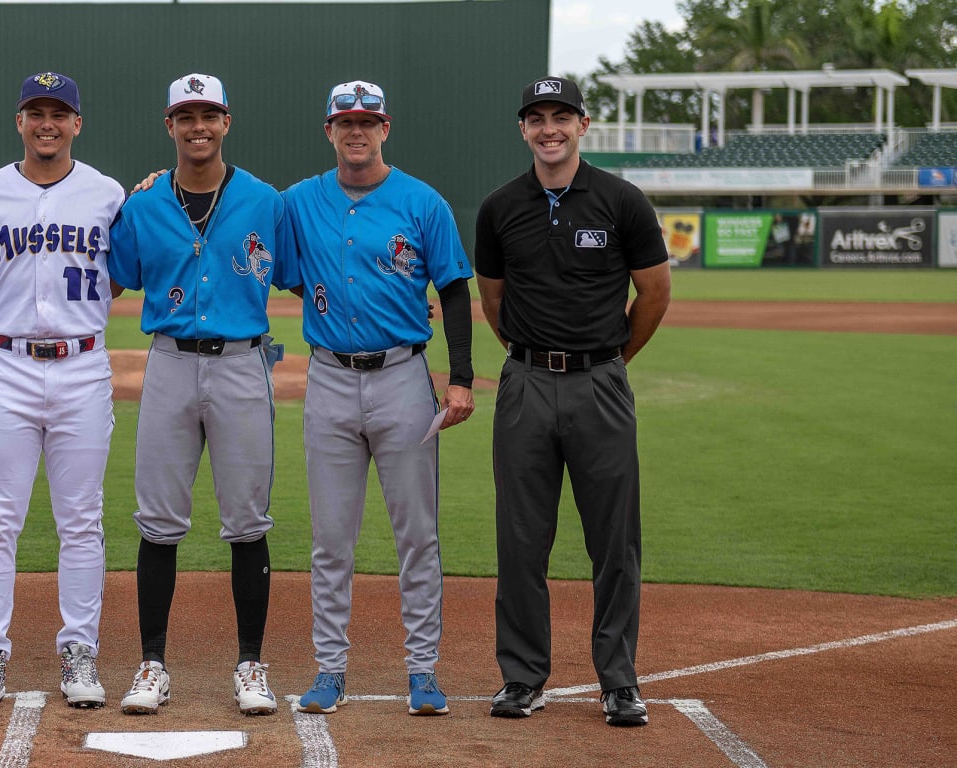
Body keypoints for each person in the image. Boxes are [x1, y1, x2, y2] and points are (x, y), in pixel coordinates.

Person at [474, 76, 670, 727]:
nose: (549, 128)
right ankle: (523, 676)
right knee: (521, 541)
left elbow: (655, 295)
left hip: (600, 384)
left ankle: (618, 680)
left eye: (561, 116)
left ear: (583, 124)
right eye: (537, 117)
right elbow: (494, 305)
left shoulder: (622, 201)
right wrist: (536, 358)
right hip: (527, 381)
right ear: (523, 129)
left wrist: (609, 361)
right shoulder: (501, 207)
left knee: (615, 540)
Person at [282, 80, 475, 716]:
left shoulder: (423, 202)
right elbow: (240, 220)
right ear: (329, 131)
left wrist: (462, 378)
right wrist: (154, 185)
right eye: (345, 123)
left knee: (418, 535)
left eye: (367, 122)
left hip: (403, 378)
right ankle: (329, 670)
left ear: (385, 129)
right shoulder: (300, 202)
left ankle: (423, 671)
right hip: (330, 379)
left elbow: (451, 289)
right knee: (331, 539)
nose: (356, 133)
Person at [107, 74, 296, 716]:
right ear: (170, 125)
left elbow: (306, 274)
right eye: (186, 116)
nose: (198, 127)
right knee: (158, 518)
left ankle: (250, 664)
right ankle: (152, 663)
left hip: (243, 362)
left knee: (247, 519)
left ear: (226, 121)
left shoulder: (266, 202)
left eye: (209, 114)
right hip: (168, 364)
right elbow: (117, 277)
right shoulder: (143, 204)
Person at [0, 72, 125, 713]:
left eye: (59, 112)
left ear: (77, 123)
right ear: (18, 121)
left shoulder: (106, 194)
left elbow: (125, 273)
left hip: (81, 366)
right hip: (8, 365)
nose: (47, 122)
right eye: (35, 111)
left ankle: (80, 651)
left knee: (82, 521)